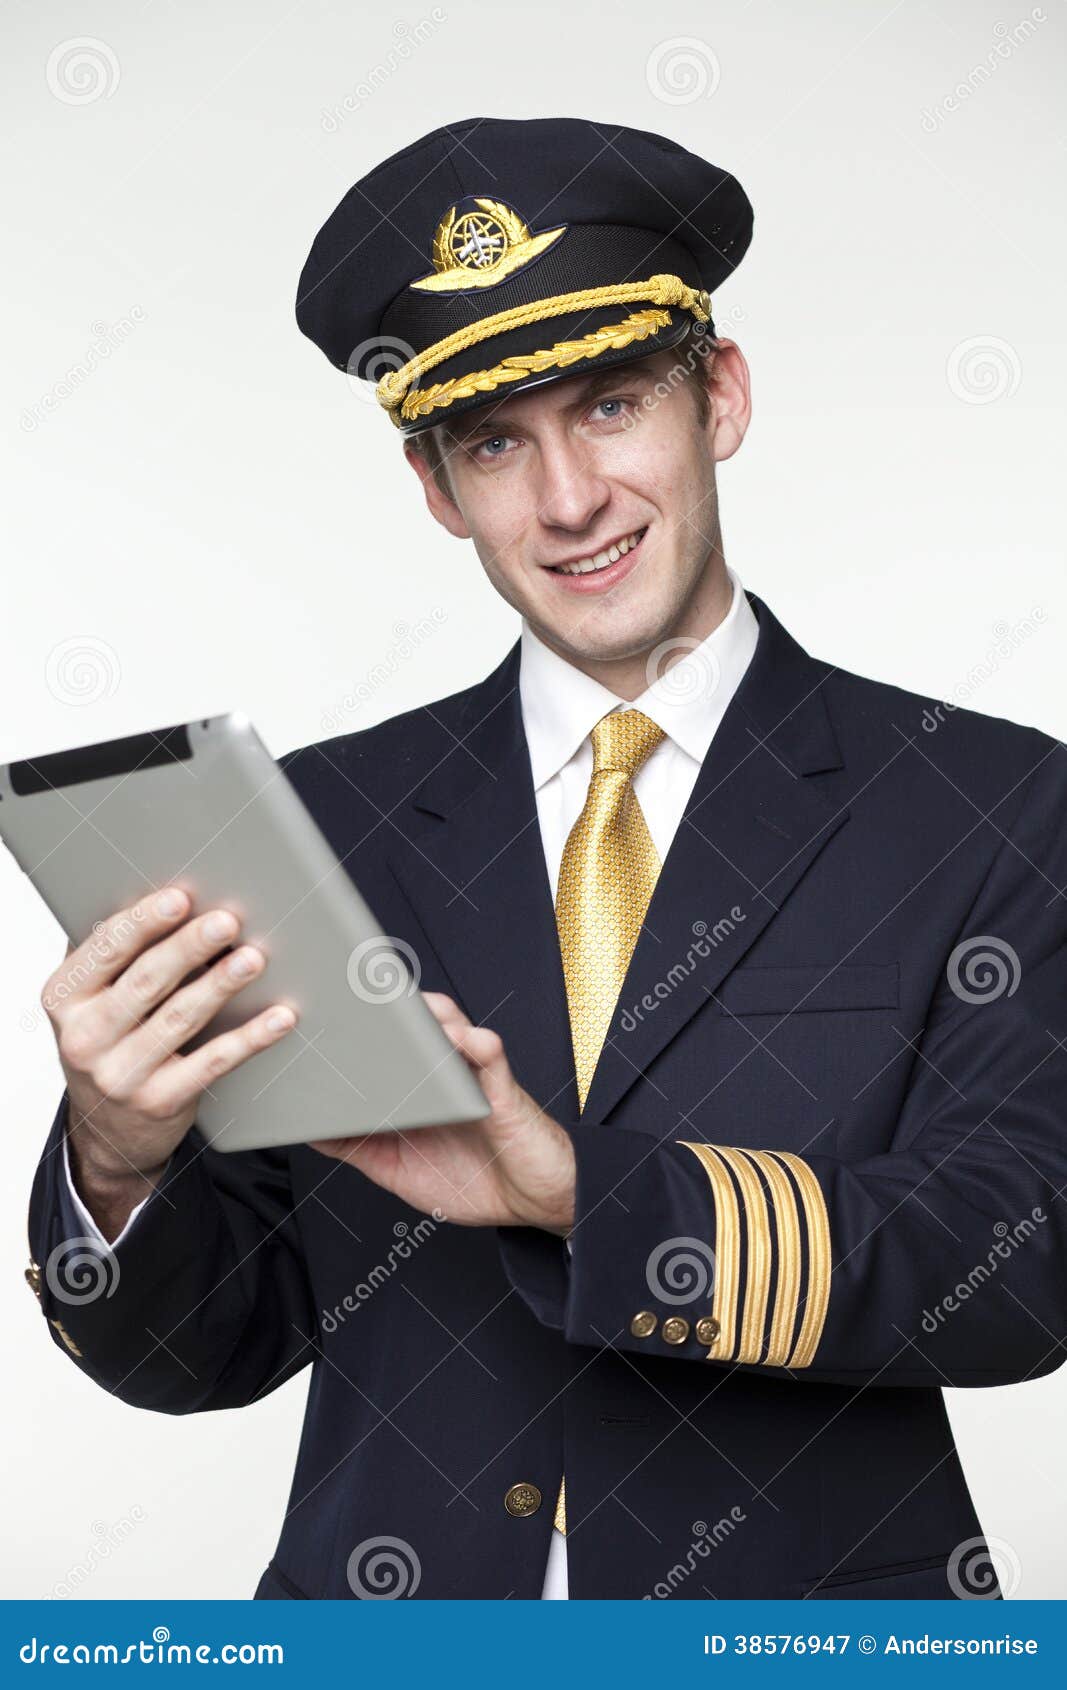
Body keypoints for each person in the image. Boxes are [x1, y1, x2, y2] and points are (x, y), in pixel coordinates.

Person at [26, 116, 1067, 1602]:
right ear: (436, 489)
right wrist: (117, 1160)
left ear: (722, 396)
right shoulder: (320, 824)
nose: (568, 499)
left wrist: (583, 1188)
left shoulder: (989, 804)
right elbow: (212, 1344)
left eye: (614, 403)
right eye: (497, 441)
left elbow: (1018, 1262)